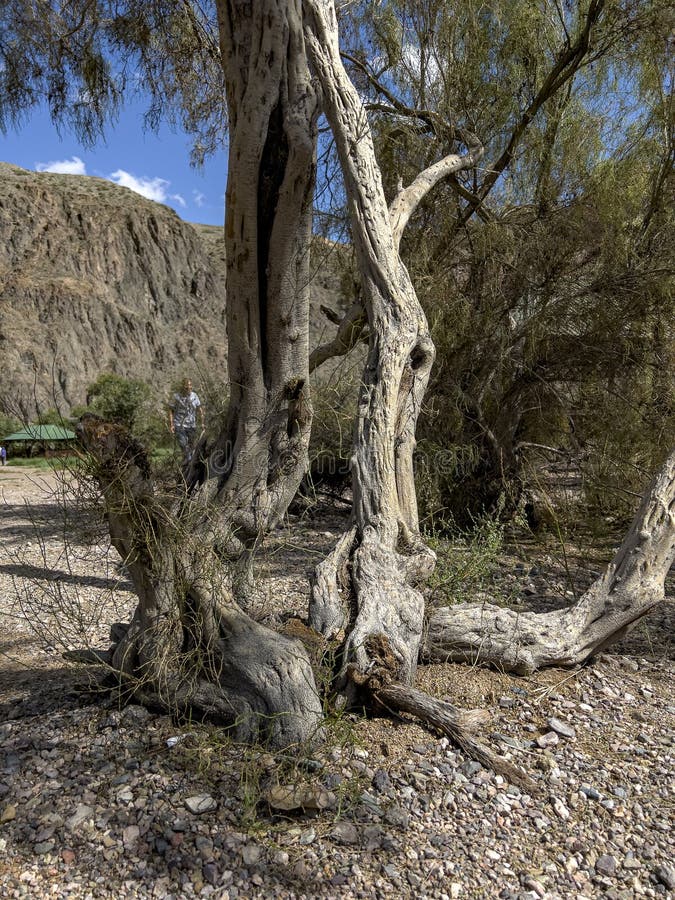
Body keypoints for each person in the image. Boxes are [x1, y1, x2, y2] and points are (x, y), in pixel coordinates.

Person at [168, 378, 205, 463]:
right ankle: (188, 462)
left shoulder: (194, 396)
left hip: (191, 425)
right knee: (183, 445)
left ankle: (189, 465)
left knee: (192, 447)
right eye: (186, 386)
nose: (189, 388)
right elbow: (170, 410)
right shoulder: (176, 396)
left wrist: (202, 423)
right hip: (179, 425)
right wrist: (172, 424)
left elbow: (200, 409)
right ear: (182, 387)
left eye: (190, 386)